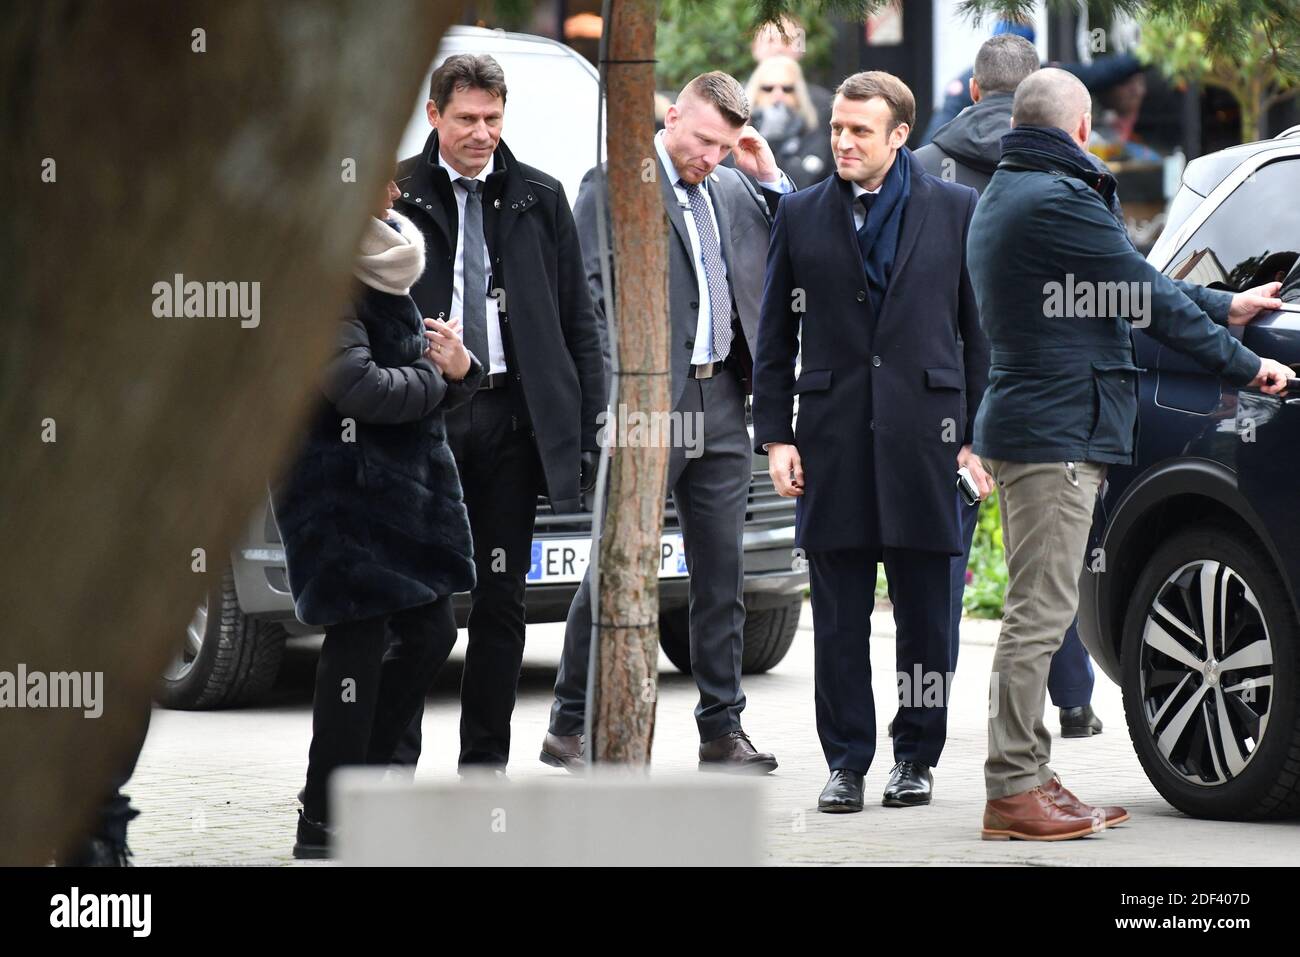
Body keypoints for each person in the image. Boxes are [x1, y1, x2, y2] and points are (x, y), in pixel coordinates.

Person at [967, 68, 1290, 840]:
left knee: (1034, 613)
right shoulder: (1057, 200)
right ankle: (1013, 789)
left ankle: (1032, 776)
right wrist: (1248, 364)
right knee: (1037, 616)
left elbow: (1128, 287)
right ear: (1080, 128)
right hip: (1055, 431)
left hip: (1043, 421)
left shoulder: (1017, 193)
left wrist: (1227, 304)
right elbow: (1142, 294)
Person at [543, 72, 793, 773]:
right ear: (673, 114)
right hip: (651, 404)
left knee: (723, 575)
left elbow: (790, 248)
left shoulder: (736, 186)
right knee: (621, 563)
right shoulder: (615, 183)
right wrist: (618, 404)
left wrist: (769, 178)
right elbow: (591, 303)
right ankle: (570, 721)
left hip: (722, 402)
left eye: (724, 146)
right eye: (703, 140)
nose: (710, 157)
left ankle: (722, 728)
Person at [753, 71, 988, 812]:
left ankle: (915, 756)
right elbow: (772, 336)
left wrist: (976, 437)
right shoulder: (800, 213)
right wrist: (776, 437)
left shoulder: (956, 210)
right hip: (832, 442)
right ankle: (847, 761)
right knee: (839, 617)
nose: (844, 141)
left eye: (860, 130)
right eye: (837, 129)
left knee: (927, 616)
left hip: (929, 440)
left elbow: (981, 337)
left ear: (899, 137)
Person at [393, 54, 606, 772]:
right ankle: (393, 759)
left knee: (501, 601)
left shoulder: (537, 197)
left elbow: (580, 322)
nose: (482, 133)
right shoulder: (400, 192)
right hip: (423, 421)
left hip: (510, 424)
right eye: (466, 120)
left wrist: (586, 431)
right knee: (417, 603)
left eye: (493, 118)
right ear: (434, 117)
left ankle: (483, 764)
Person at [273, 177, 484, 857]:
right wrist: (438, 377)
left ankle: (363, 787)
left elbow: (414, 375)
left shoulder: (387, 254)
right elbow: (357, 387)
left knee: (429, 632)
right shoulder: (319, 266)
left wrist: (459, 369)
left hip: (402, 497)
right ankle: (325, 818)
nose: (395, 186)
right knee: (356, 653)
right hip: (342, 499)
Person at [916, 34, 1105, 739]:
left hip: (949, 395)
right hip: (1044, 393)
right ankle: (1076, 701)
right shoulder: (1075, 174)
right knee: (1045, 563)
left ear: (973, 90)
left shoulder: (924, 167)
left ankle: (927, 724)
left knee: (945, 565)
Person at [918, 19, 1144, 147]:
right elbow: (1098, 73)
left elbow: (933, 143)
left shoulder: (967, 78)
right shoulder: (1038, 73)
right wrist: (1145, 55)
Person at [746, 55, 834, 189]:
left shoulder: (812, 133)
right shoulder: (738, 136)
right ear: (755, 95)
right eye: (768, 89)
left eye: (787, 89)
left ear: (798, 96)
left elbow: (805, 184)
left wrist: (784, 142)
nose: (778, 95)